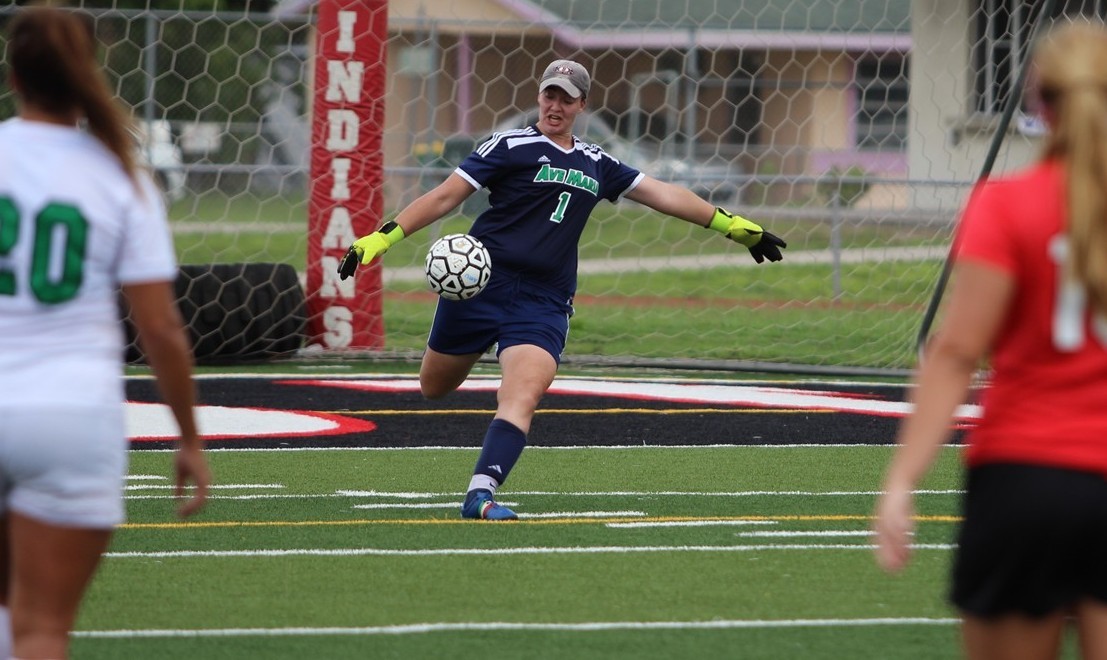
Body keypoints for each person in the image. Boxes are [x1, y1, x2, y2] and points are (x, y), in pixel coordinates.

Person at [339, 58, 786, 521]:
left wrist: (731, 225)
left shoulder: (597, 162)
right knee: (434, 387)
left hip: (543, 300)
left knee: (522, 394)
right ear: (539, 97)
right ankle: (478, 371)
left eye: (566, 99)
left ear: (581, 105)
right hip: (479, 287)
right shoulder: (509, 145)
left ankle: (481, 493)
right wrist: (382, 239)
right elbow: (444, 196)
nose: (555, 105)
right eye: (549, 95)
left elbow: (663, 194)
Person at [873, 21, 1107, 660]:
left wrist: (902, 480)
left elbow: (956, 352)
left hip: (1026, 479)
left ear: (1039, 103)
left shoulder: (1008, 206)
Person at [0, 7, 210, 659]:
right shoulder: (119, 173)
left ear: (13, 75)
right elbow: (161, 328)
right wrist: (188, 437)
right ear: (89, 69)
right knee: (41, 628)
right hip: (70, 414)